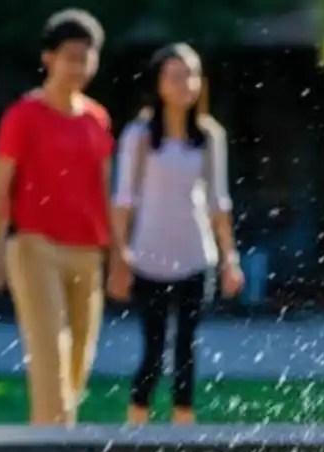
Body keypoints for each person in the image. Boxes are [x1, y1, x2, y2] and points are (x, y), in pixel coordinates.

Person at [0, 9, 117, 427]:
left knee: (79, 362)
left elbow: (106, 191)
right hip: (34, 247)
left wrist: (119, 257)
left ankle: (50, 451)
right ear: (49, 58)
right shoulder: (22, 116)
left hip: (88, 252)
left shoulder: (98, 119)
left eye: (87, 57)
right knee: (51, 358)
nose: (79, 65)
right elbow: (0, 188)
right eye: (71, 56)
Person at [111, 44, 244, 426]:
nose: (185, 83)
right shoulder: (139, 135)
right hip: (148, 257)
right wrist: (119, 256)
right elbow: (124, 199)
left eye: (191, 74)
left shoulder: (209, 135)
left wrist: (229, 257)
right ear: (158, 83)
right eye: (175, 75)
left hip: (195, 257)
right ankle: (134, 430)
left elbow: (219, 200)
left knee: (186, 348)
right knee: (152, 350)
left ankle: (183, 431)